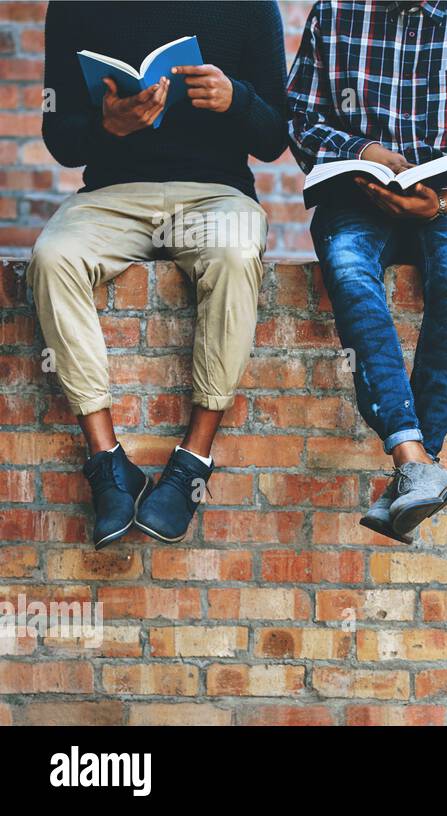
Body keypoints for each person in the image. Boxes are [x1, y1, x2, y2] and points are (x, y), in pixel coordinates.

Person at [29, 1, 287, 548]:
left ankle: (192, 460)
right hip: (113, 197)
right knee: (53, 257)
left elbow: (274, 138)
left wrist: (236, 98)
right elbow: (59, 138)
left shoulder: (251, 7)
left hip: (213, 195)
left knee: (237, 252)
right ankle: (107, 462)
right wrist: (106, 123)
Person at [287, 0, 447, 544]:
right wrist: (364, 150)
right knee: (345, 264)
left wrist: (443, 200)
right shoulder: (335, 10)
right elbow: (300, 116)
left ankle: (413, 464)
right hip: (358, 194)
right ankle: (416, 459)